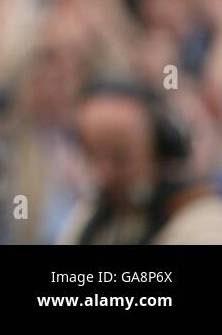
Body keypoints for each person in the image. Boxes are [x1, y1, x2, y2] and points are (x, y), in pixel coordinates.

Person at [59, 80, 222, 245]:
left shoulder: (202, 221)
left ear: (159, 148)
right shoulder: (88, 214)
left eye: (119, 158)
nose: (103, 172)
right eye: (92, 155)